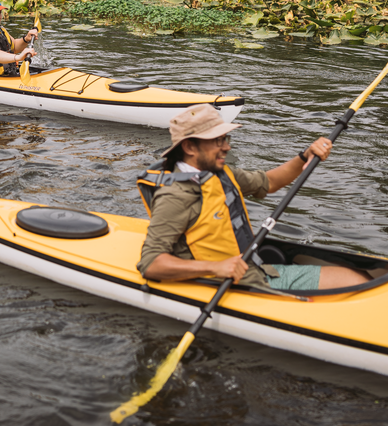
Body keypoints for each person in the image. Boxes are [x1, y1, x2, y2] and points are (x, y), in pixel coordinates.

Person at [137, 103, 370, 292]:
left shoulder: (219, 174)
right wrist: (216, 268)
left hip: (254, 270)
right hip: (238, 284)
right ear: (189, 147)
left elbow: (269, 182)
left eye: (226, 139)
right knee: (356, 281)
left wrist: (305, 156)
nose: (226, 147)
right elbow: (150, 263)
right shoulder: (175, 196)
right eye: (218, 140)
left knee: (362, 275)